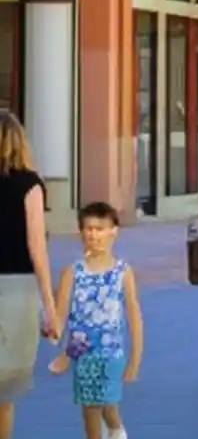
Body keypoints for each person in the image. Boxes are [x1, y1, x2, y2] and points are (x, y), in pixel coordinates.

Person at [48, 203, 142, 439]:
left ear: (113, 231)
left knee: (108, 403)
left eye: (100, 229)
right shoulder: (73, 272)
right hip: (81, 352)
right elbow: (60, 316)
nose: (93, 235)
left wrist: (135, 360)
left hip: (112, 352)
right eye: (88, 229)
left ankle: (116, 428)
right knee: (90, 409)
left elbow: (134, 317)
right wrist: (53, 334)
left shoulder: (123, 272)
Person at [0, 111, 59, 439]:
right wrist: (49, 306)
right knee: (5, 390)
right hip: (17, 289)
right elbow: (37, 246)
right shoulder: (30, 185)